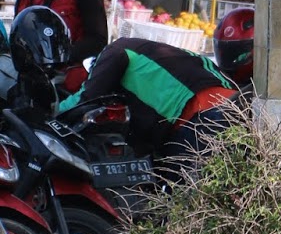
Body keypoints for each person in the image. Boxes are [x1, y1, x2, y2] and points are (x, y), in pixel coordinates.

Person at [59, 32, 237, 168]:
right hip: (234, 107)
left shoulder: (113, 51)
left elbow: (86, 97)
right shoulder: (151, 55)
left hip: (201, 114)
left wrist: (53, 115)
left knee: (177, 200)